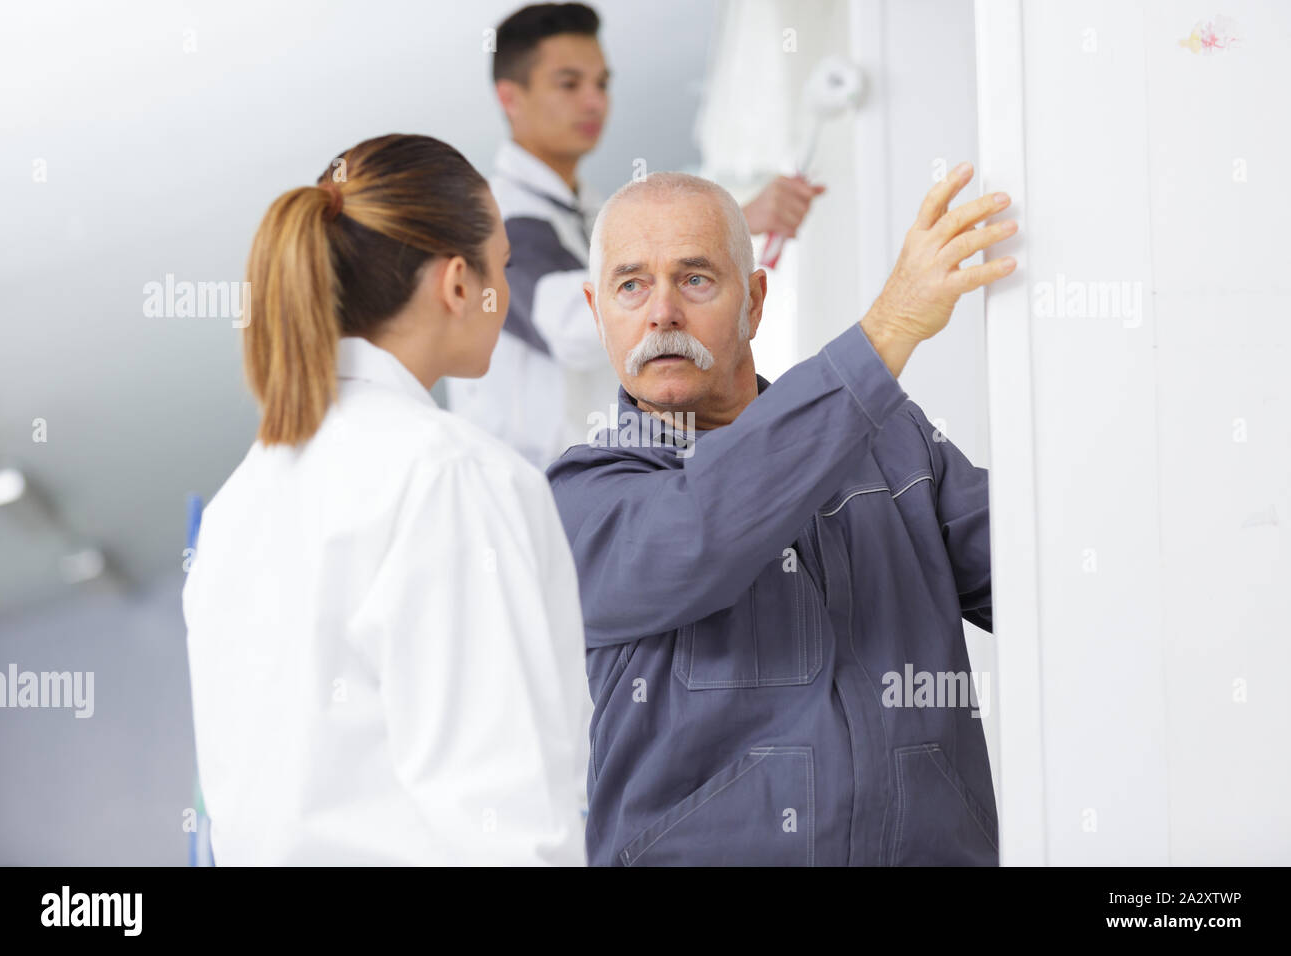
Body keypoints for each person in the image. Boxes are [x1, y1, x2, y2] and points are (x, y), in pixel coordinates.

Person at [546, 162, 1019, 865]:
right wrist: (887, 331)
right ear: (598, 311)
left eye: (696, 279)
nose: (662, 311)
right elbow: (701, 531)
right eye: (631, 284)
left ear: (755, 301)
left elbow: (1039, 577)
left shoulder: (893, 444)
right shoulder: (586, 495)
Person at [183, 133, 591, 865]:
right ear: (458, 284)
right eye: (505, 265)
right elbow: (509, 818)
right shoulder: (453, 474)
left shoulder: (234, 507)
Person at [446, 1, 827, 469]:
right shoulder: (500, 217)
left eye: (601, 83)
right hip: (530, 495)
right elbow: (565, 323)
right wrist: (737, 224)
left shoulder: (589, 207)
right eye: (569, 84)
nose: (594, 101)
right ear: (510, 98)